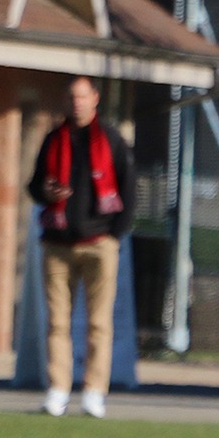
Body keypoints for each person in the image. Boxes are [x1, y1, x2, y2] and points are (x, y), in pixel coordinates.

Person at [28, 76, 134, 419]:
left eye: (83, 96)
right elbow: (34, 187)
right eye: (72, 97)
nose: (77, 103)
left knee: (98, 323)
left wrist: (113, 235)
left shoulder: (111, 140)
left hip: (99, 243)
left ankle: (93, 392)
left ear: (95, 99)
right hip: (58, 243)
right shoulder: (53, 139)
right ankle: (58, 389)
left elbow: (130, 193)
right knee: (58, 322)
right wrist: (48, 193)